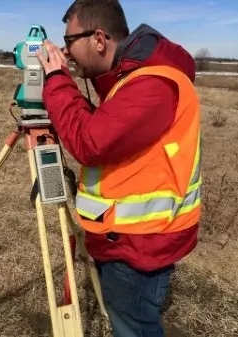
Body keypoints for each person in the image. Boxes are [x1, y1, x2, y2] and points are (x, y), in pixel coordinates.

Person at [36, 0, 201, 336]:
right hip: (128, 239)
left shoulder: (153, 84)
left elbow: (90, 143)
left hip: (139, 247)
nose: (66, 53)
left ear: (99, 39)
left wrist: (56, 79)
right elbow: (105, 130)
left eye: (69, 42)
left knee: (134, 327)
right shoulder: (133, 80)